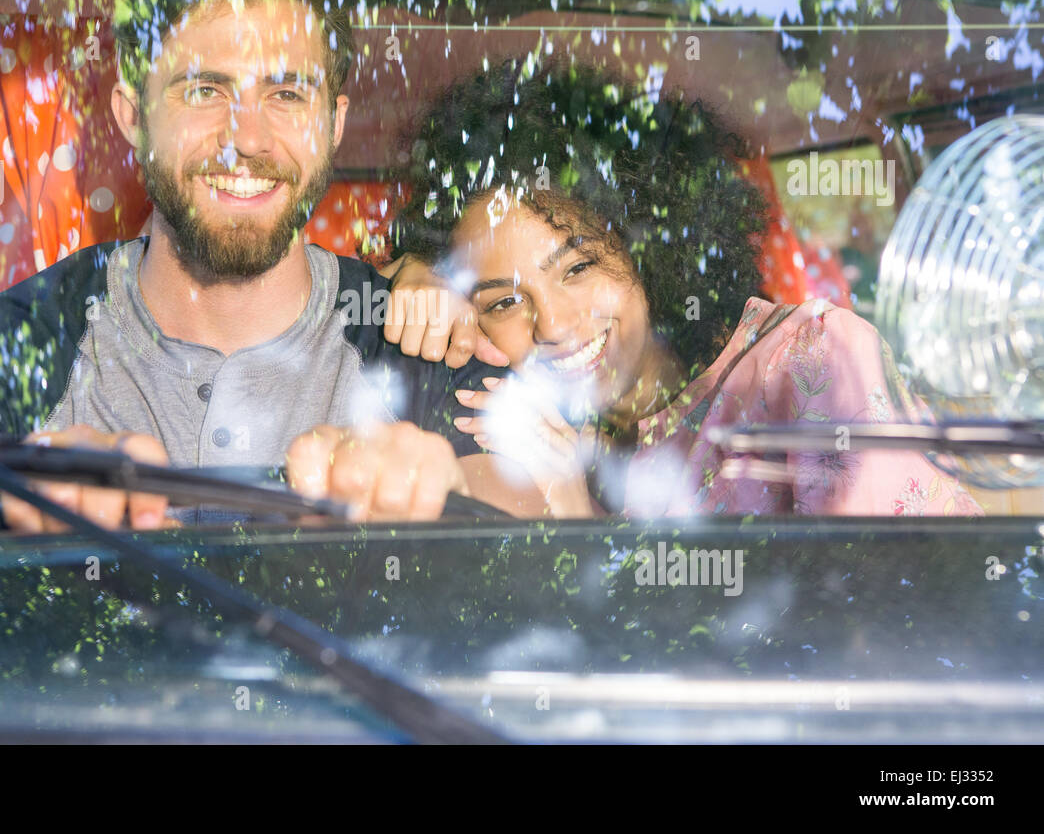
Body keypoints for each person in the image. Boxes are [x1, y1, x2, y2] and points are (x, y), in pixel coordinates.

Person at [0, 0, 539, 540]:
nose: (245, 139)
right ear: (133, 117)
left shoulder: (428, 349)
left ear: (332, 125)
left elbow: (547, 542)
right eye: (203, 90)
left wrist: (438, 483)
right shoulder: (5, 346)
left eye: (286, 95)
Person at [382, 57, 982, 518]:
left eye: (578, 267)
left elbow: (890, 629)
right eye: (505, 301)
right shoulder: (556, 436)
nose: (556, 325)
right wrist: (413, 274)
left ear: (651, 242)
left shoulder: (810, 363)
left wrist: (573, 519)